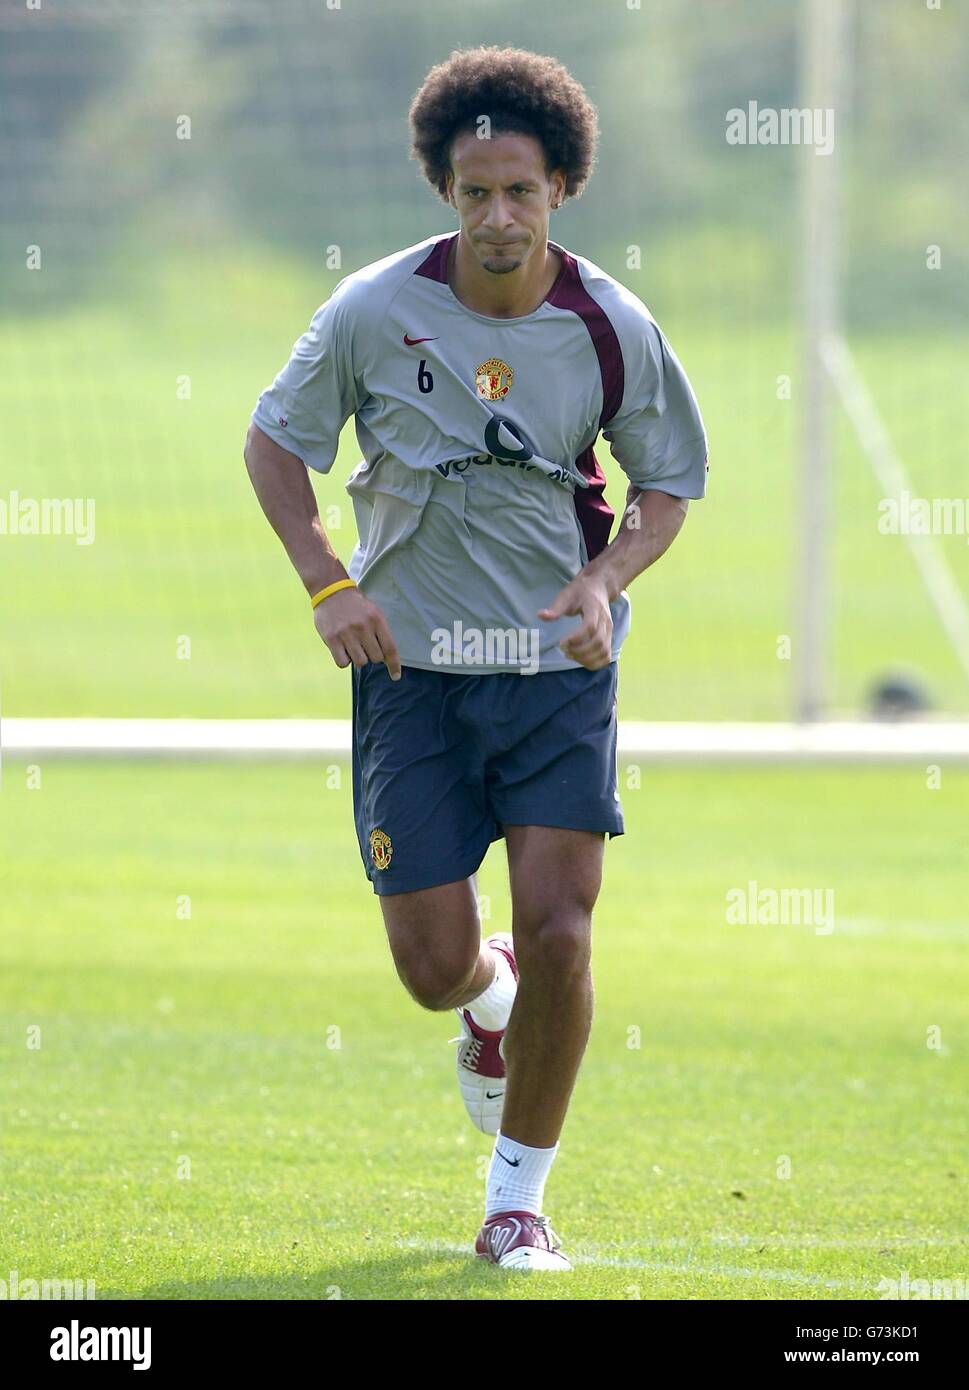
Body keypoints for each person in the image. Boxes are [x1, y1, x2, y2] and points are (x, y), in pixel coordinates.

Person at [244, 45, 708, 1271]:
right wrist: (328, 580)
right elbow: (271, 445)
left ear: (561, 186)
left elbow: (667, 488)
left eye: (521, 191)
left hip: (556, 670)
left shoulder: (612, 323)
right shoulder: (371, 310)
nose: (498, 217)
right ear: (444, 193)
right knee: (433, 965)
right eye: (473, 194)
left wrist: (605, 582)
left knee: (563, 929)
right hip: (412, 676)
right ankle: (487, 1006)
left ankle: (519, 1203)